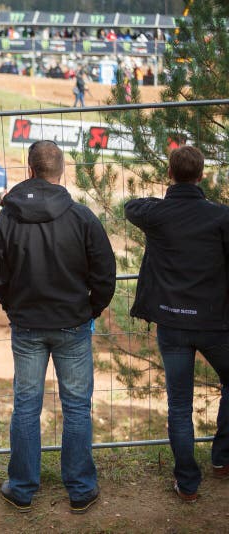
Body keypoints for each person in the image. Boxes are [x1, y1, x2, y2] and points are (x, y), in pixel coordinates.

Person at [0, 140, 116, 515]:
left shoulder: (8, 217)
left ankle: (22, 488)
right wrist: (89, 310)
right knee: (76, 408)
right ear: (62, 173)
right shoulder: (82, 217)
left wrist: (16, 305)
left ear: (29, 170)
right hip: (71, 323)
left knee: (26, 407)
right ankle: (80, 488)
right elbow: (105, 274)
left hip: (30, 326)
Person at [125, 146, 229, 502]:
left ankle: (187, 483)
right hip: (215, 323)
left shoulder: (157, 215)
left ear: (170, 173)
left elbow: (132, 206)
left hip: (171, 321)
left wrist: (168, 196)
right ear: (202, 175)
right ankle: (223, 457)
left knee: (180, 404)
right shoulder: (220, 216)